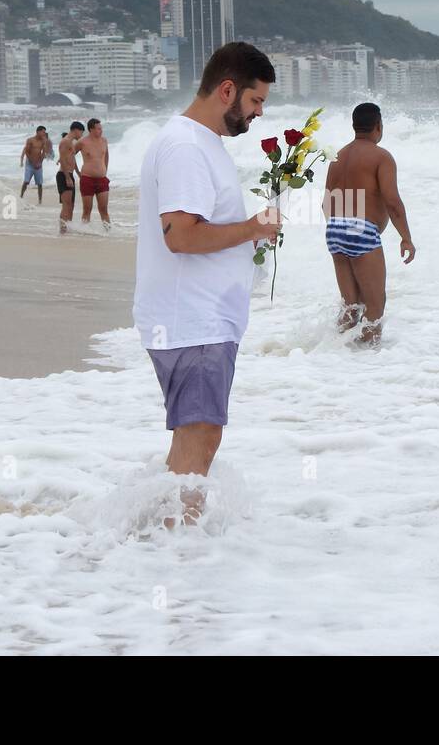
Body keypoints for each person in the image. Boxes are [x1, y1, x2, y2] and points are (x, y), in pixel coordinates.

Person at [133, 42, 279, 527]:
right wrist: (252, 228)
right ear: (227, 90)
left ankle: (165, 536)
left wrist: (250, 240)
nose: (259, 113)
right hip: (191, 322)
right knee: (201, 435)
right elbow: (180, 235)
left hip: (201, 321)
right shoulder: (186, 147)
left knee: (199, 436)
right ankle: (176, 548)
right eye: (256, 101)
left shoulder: (202, 143)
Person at [322, 102, 416, 345]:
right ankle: (367, 361)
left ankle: (334, 354)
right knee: (375, 306)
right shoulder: (381, 156)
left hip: (334, 228)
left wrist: (339, 230)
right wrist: (406, 237)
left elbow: (327, 202)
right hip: (361, 231)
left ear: (354, 126)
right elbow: (392, 202)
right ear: (378, 126)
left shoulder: (338, 156)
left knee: (351, 307)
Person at [78, 117, 112, 230]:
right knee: (87, 209)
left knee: (104, 209)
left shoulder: (104, 140)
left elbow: (106, 155)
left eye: (101, 128)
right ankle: (84, 231)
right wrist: (77, 171)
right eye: (98, 129)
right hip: (87, 179)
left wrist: (104, 170)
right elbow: (70, 154)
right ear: (91, 129)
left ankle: (108, 232)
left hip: (102, 179)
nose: (101, 131)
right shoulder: (83, 142)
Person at [56, 121, 84, 233]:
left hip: (70, 174)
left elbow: (72, 159)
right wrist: (67, 177)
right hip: (63, 175)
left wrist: (77, 173)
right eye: (81, 132)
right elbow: (62, 159)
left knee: (71, 205)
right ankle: (62, 229)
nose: (81, 135)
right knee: (66, 205)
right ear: (76, 130)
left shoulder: (71, 143)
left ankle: (68, 227)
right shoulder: (65, 141)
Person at [20, 126, 47, 204]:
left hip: (38, 164)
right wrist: (33, 162)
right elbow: (27, 152)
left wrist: (40, 163)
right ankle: (21, 196)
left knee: (40, 184)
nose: (44, 133)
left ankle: (40, 201)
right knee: (26, 181)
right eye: (43, 132)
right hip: (29, 164)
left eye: (44, 132)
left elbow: (43, 153)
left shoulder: (43, 141)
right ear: (38, 132)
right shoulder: (30, 140)